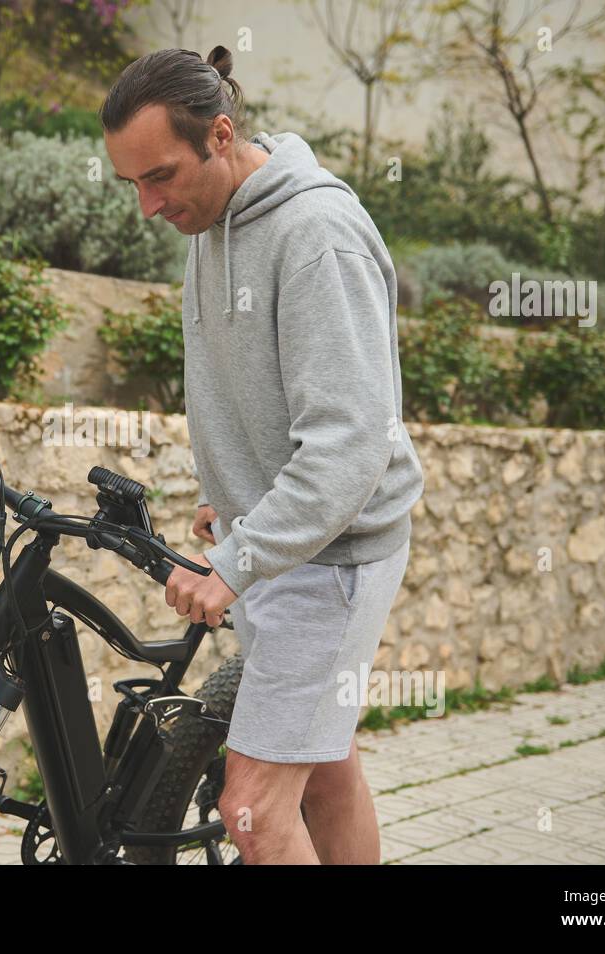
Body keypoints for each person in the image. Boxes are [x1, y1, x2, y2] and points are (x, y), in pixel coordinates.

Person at [101, 46, 425, 864]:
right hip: (284, 547)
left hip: (333, 558)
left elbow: (350, 439)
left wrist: (241, 554)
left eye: (160, 176)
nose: (147, 204)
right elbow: (255, 391)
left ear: (220, 133)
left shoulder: (317, 235)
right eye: (131, 183)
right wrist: (233, 496)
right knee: (321, 769)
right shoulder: (209, 223)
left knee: (249, 806)